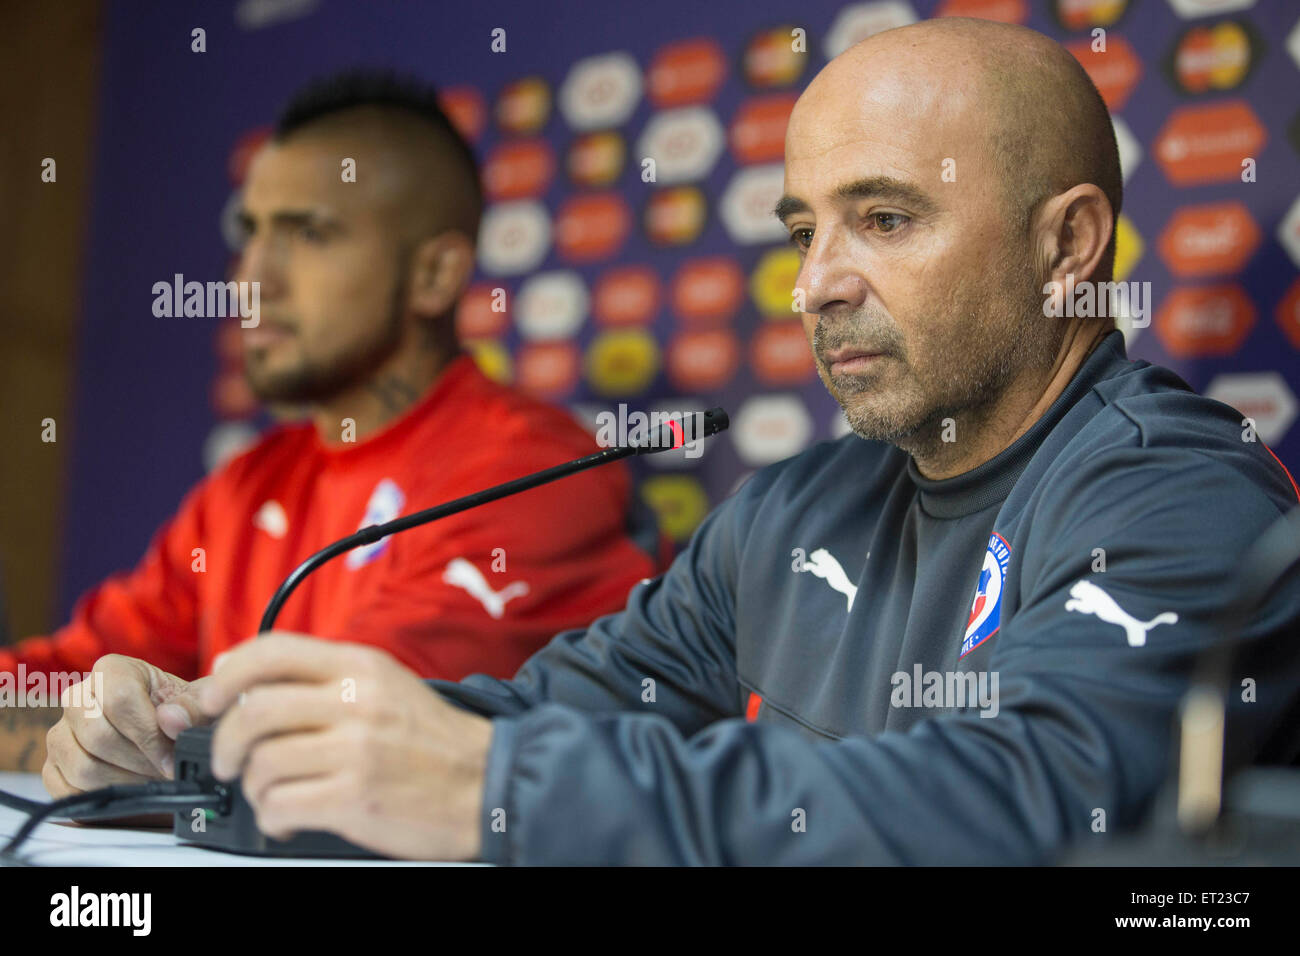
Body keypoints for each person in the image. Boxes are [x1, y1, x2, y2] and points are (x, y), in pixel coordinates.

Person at [45, 19, 1300, 863]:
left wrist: (492, 793)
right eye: (802, 230)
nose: (814, 284)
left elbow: (1037, 804)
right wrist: (192, 734)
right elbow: (546, 708)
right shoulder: (795, 508)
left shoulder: (1181, 498)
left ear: (1067, 247)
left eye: (883, 218)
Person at [3, 72, 667, 779]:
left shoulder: (529, 475)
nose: (252, 279)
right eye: (251, 232)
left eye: (309, 233)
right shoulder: (246, 486)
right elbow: (41, 686)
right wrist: (91, 729)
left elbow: (329, 744)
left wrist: (116, 743)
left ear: (435, 276)